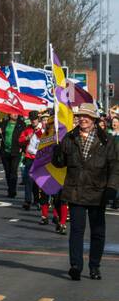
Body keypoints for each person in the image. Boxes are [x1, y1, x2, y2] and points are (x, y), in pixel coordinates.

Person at [51, 103, 119, 280]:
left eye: (87, 116)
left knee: (97, 232)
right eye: (80, 115)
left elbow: (115, 166)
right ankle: (76, 265)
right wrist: (56, 152)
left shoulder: (107, 141)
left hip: (98, 192)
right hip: (75, 191)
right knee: (76, 230)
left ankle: (94, 266)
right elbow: (60, 163)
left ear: (94, 120)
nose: (83, 118)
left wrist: (112, 187)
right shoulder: (69, 137)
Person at [0, 112, 26, 199]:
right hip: (5, 151)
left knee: (13, 171)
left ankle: (13, 191)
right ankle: (10, 188)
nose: (16, 114)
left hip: (16, 151)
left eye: (17, 113)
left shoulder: (21, 124)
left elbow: (24, 137)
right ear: (9, 114)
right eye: (13, 113)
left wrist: (23, 148)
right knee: (7, 172)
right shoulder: (4, 123)